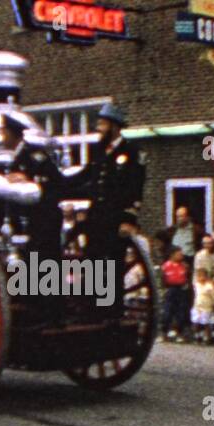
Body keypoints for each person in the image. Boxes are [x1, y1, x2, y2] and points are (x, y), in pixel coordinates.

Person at [65, 102, 146, 317]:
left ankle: (110, 315)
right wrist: (57, 183)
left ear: (114, 126)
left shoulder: (131, 153)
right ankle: (92, 312)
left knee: (111, 267)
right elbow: (86, 177)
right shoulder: (98, 151)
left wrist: (129, 218)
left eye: (102, 123)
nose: (98, 128)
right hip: (96, 219)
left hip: (115, 220)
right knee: (92, 263)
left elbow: (135, 189)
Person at [0, 112, 68, 325]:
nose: (0, 136)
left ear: (13, 134)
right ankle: (35, 311)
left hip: (44, 218)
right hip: (30, 221)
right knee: (31, 264)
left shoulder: (34, 156)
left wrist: (28, 179)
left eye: (3, 132)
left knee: (45, 264)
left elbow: (55, 182)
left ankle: (51, 315)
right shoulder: (17, 159)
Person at [160, 248, 190, 342]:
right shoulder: (165, 266)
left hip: (181, 290)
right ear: (172, 255)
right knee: (167, 312)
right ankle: (164, 333)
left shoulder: (184, 266)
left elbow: (187, 277)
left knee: (180, 313)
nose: (181, 256)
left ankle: (179, 333)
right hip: (170, 290)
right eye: (178, 254)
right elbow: (162, 278)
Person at [191, 268, 214, 344]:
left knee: (206, 322)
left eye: (203, 276)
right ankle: (197, 336)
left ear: (206, 276)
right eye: (199, 276)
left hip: (207, 306)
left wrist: (213, 304)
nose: (201, 278)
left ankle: (207, 337)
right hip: (197, 306)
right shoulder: (196, 285)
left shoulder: (210, 286)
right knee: (196, 322)